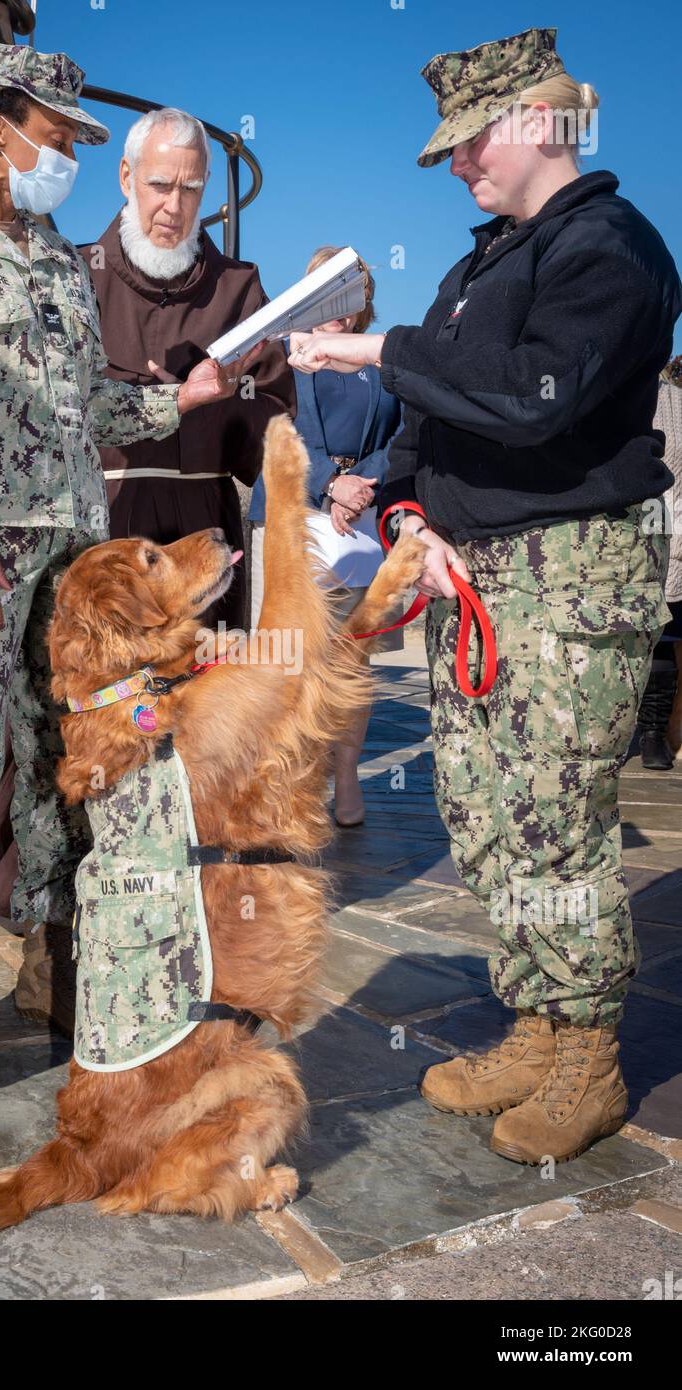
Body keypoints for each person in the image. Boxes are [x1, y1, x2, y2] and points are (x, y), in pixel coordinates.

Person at [289, 27, 681, 1164]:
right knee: (484, 809)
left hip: (569, 569)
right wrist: (406, 508)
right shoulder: (480, 265)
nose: (457, 165)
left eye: (467, 143)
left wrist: (375, 348)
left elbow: (534, 396)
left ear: (533, 125)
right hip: (474, 571)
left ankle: (587, 1051)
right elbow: (431, 426)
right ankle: (536, 1020)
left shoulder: (607, 247)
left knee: (555, 818)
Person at [0, 42, 260, 1077]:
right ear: (1, 128)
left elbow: (91, 406)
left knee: (56, 771)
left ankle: (43, 956)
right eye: (61, 135)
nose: (70, 154)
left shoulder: (55, 260)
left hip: (66, 580)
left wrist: (184, 400)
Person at [79, 106, 296, 631]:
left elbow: (272, 425)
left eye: (192, 188)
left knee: (208, 697)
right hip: (104, 526)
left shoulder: (238, 287)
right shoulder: (77, 275)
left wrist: (217, 402)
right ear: (127, 178)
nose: (175, 206)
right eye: (159, 185)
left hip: (205, 528)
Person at [248, 248, 402, 826]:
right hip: (292, 516)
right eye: (326, 290)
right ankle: (289, 779)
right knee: (289, 656)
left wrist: (364, 484)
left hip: (358, 524)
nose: (339, 306)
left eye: (350, 291)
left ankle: (346, 776)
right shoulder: (279, 356)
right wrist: (331, 483)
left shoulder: (380, 359)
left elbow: (405, 433)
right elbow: (269, 429)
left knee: (352, 659)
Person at [636, 355, 682, 768]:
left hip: (674, 526)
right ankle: (644, 730)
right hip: (637, 530)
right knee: (649, 633)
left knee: (667, 631)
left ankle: (654, 731)